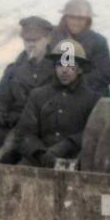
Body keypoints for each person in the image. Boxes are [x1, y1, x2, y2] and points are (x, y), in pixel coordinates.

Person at [0, 15, 55, 161]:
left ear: (47, 39)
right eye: (27, 40)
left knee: (3, 155)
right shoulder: (13, 70)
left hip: (41, 130)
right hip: (11, 124)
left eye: (35, 40)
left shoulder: (58, 69)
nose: (31, 44)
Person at [12, 38, 101, 167]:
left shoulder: (93, 99)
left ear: (80, 69)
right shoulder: (38, 95)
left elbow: (94, 133)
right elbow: (23, 133)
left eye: (70, 65)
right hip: (37, 161)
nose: (64, 70)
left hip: (75, 162)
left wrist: (66, 146)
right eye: (60, 64)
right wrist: (40, 153)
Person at [51, 0, 110, 96]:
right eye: (72, 17)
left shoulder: (98, 41)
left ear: (88, 20)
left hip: (88, 93)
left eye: (81, 19)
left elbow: (106, 73)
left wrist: (74, 82)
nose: (76, 22)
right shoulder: (52, 37)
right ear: (65, 18)